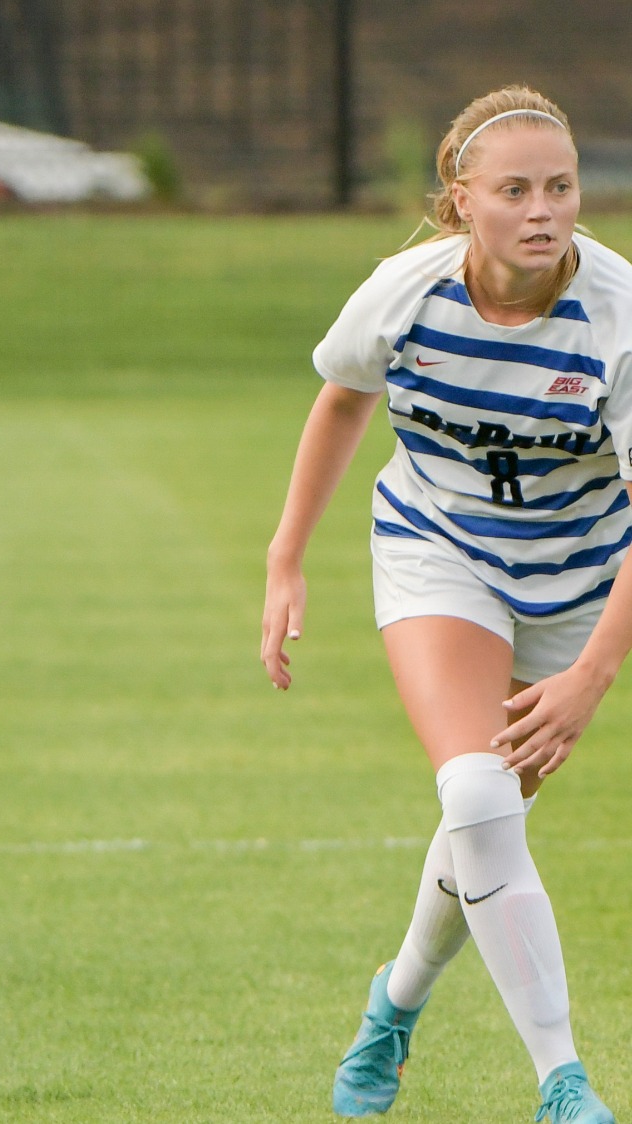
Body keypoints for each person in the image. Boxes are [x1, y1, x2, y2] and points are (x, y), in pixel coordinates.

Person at [263, 85, 625, 1123]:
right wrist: (285, 557)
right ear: (458, 199)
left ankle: (391, 1005)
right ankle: (562, 1081)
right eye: (511, 188)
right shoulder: (403, 291)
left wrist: (588, 676)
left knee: (485, 819)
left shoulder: (616, 317)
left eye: (557, 185)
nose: (540, 207)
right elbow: (341, 397)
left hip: (579, 578)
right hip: (438, 547)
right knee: (474, 792)